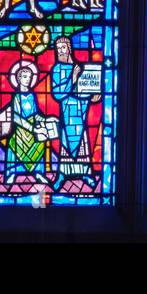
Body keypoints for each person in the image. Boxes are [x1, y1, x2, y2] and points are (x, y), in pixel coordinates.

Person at [50, 35, 100, 187]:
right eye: (58, 49)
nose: (61, 51)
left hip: (80, 110)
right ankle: (62, 175)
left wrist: (94, 97)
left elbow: (86, 89)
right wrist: (73, 76)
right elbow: (57, 94)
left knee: (82, 144)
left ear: (69, 49)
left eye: (63, 48)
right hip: (66, 111)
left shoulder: (79, 67)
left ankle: (85, 174)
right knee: (66, 143)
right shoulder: (57, 69)